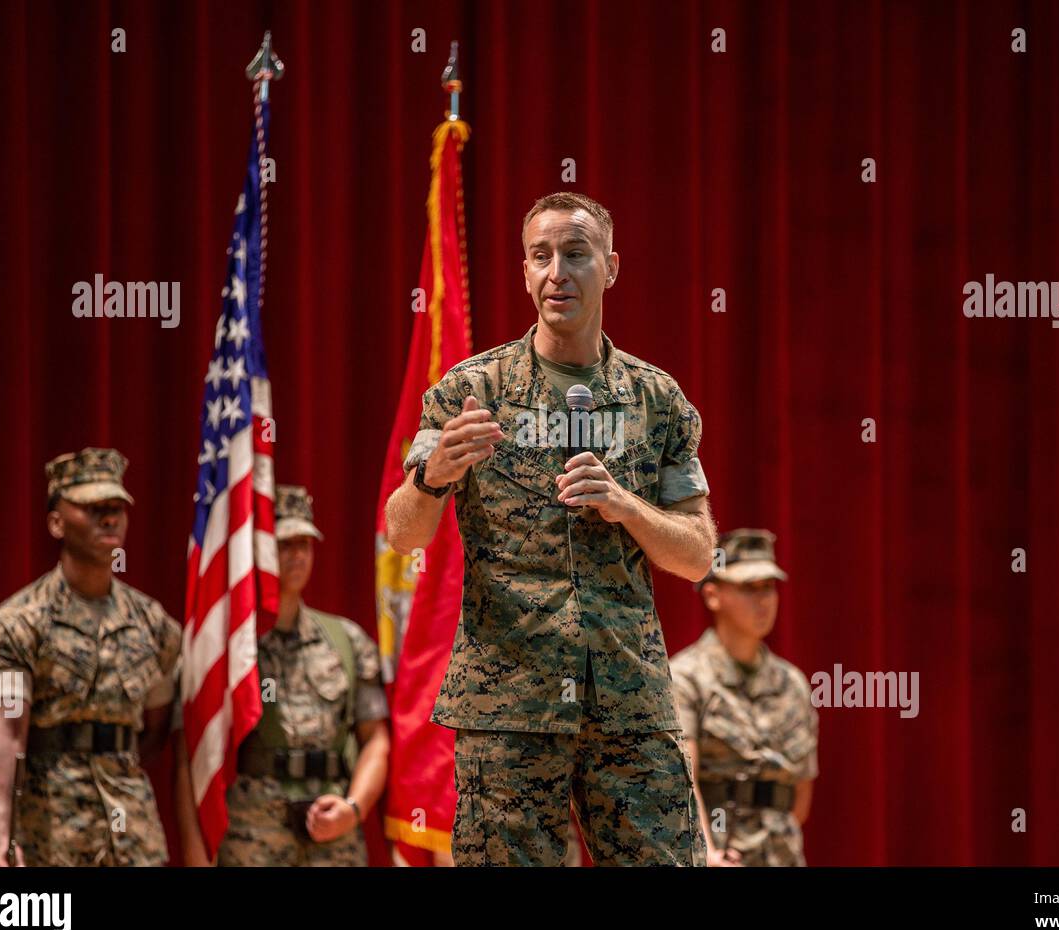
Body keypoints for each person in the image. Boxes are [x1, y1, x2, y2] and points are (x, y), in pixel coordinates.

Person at [385, 191, 716, 866]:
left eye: (575, 253)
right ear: (524, 272)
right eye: (540, 256)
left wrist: (629, 507)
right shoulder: (471, 389)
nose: (556, 272)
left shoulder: (657, 400)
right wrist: (434, 475)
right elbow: (402, 535)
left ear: (612, 267)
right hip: (508, 702)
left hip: (628, 701)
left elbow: (699, 555)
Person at [0, 447, 181, 866]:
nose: (109, 517)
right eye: (92, 507)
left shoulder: (153, 624)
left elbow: (157, 728)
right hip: (48, 828)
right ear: (55, 521)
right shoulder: (18, 622)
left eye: (117, 507)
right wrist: (1, 837)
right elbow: (5, 735)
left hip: (130, 829)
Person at [176, 485, 390, 866]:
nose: (296, 556)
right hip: (253, 834)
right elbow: (194, 747)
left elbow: (375, 739)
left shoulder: (348, 640)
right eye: (284, 544)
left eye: (304, 545)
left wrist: (353, 809)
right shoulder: (229, 648)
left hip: (331, 830)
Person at [669, 529, 819, 867]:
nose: (764, 599)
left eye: (768, 587)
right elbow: (682, 780)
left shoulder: (793, 683)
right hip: (720, 856)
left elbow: (800, 798)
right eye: (749, 588)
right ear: (712, 595)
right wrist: (707, 852)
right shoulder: (685, 677)